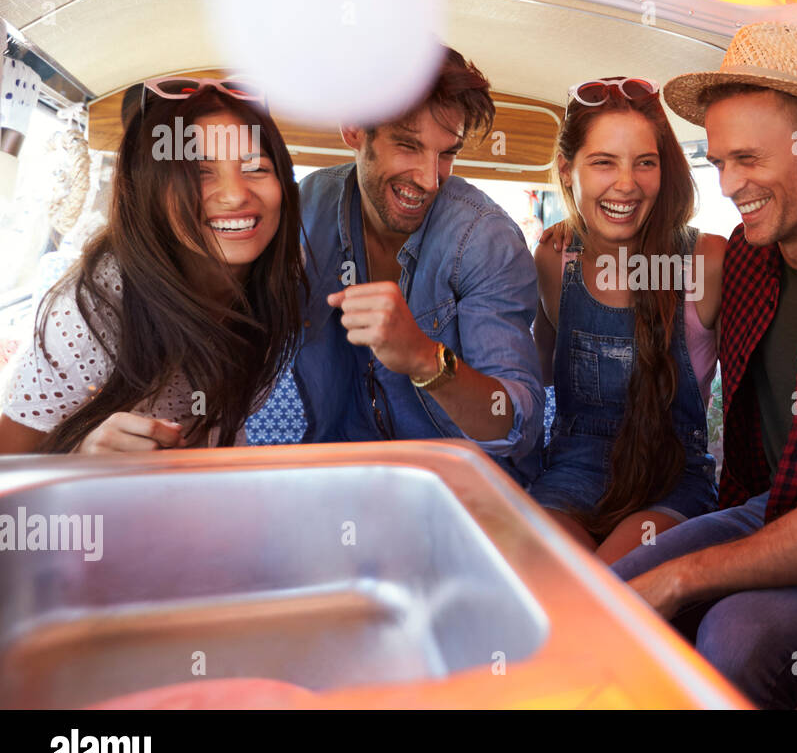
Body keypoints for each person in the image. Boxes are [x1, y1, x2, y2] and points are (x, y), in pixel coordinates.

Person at [610, 23, 797, 709]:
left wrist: (687, 577)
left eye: (747, 159)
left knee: (735, 635)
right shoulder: (746, 256)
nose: (730, 184)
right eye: (719, 163)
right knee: (608, 598)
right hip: (764, 508)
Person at [0, 78, 306, 453]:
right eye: (199, 172)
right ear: (149, 190)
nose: (235, 195)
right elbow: (9, 462)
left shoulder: (281, 279)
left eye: (256, 168)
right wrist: (81, 456)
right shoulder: (92, 312)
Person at [293, 47, 543, 485]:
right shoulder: (306, 210)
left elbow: (515, 426)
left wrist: (426, 360)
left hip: (462, 491)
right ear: (354, 129)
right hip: (342, 480)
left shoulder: (485, 238)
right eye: (408, 146)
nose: (429, 179)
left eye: (446, 154)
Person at [531, 77, 725, 562]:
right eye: (603, 162)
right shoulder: (553, 259)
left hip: (673, 476)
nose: (626, 184)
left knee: (610, 587)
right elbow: (534, 376)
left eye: (645, 163)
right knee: (546, 575)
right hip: (572, 471)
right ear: (567, 170)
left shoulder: (709, 260)